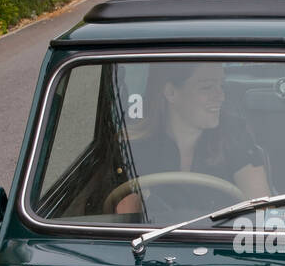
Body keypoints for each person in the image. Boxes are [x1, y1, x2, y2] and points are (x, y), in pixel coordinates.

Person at [112, 62, 269, 217]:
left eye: (221, 85)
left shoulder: (234, 136)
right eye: (206, 87)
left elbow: (261, 210)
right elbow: (124, 220)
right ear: (171, 92)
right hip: (155, 241)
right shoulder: (133, 149)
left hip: (222, 240)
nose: (221, 96)